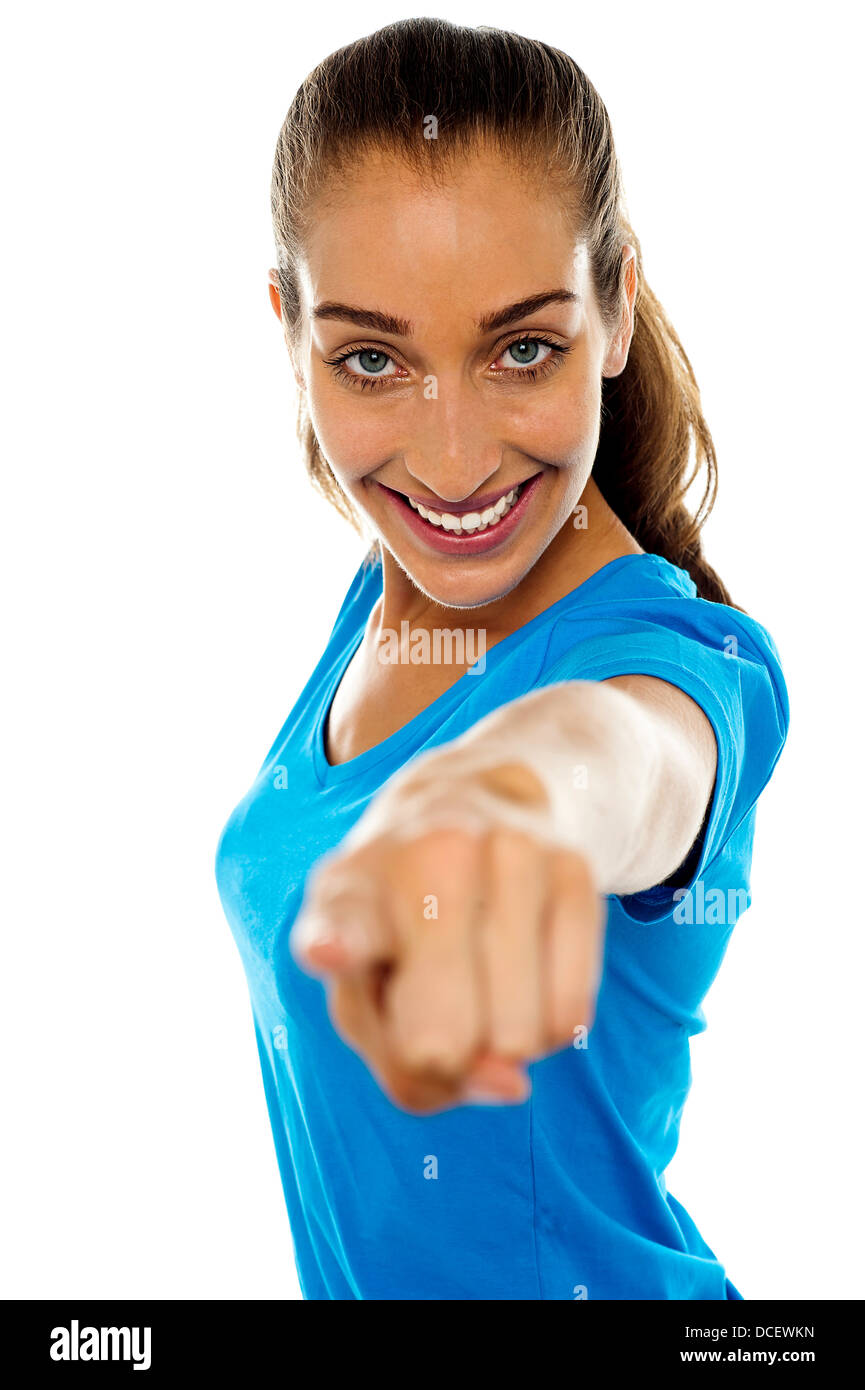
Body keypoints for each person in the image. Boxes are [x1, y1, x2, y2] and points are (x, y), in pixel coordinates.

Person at [215, 18, 789, 1300]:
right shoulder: (385, 590)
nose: (458, 459)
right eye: (373, 359)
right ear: (290, 332)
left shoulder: (672, 656)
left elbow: (621, 758)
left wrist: (511, 805)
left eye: (523, 347)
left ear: (617, 309)